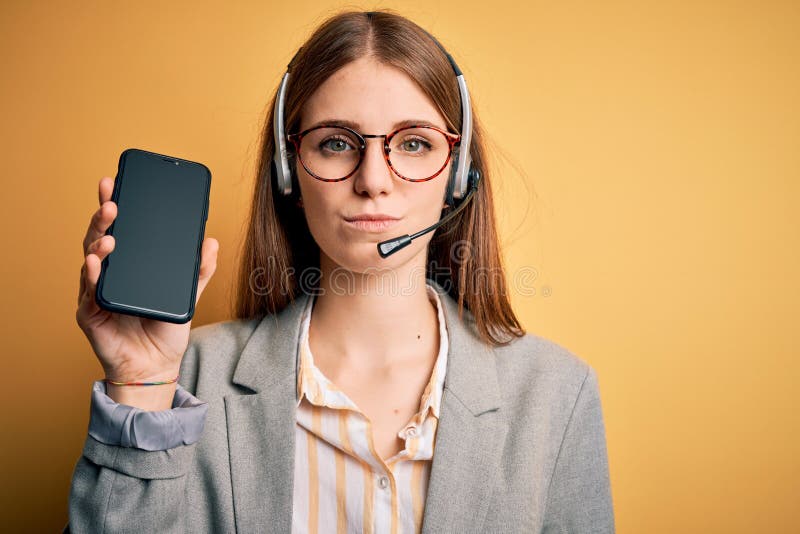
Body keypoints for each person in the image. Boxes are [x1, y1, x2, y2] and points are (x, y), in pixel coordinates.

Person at [67, 9, 614, 534]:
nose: (373, 179)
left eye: (415, 143)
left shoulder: (557, 396)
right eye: (335, 143)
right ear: (288, 174)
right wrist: (140, 385)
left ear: (456, 177)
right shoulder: (185, 382)